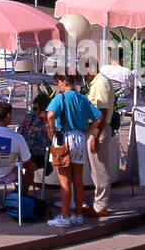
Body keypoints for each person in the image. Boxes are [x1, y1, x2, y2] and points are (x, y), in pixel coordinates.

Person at [44, 73, 106, 226]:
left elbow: (50, 115)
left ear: (65, 82)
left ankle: (65, 217)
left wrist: (52, 131)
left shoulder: (61, 98)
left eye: (58, 82)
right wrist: (88, 131)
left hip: (63, 138)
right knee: (78, 180)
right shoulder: (82, 98)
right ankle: (78, 215)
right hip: (79, 138)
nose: (58, 85)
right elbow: (99, 117)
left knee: (64, 181)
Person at [83, 59, 117, 217]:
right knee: (96, 169)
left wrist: (95, 136)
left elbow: (102, 112)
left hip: (99, 130)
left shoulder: (100, 83)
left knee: (100, 170)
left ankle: (101, 206)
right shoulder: (98, 82)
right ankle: (98, 203)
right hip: (96, 129)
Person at [18, 92, 51, 195]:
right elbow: (19, 133)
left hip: (40, 154)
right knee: (15, 164)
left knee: (30, 166)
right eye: (35, 109)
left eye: (40, 109)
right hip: (25, 150)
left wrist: (46, 122)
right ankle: (18, 191)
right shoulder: (29, 118)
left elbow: (52, 140)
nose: (37, 112)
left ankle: (21, 194)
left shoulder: (50, 122)